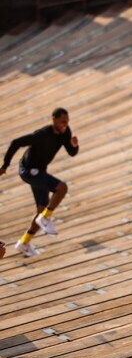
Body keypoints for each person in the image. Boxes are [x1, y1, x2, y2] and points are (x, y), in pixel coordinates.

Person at [1, 108, 79, 258]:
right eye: (63, 122)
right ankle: (45, 218)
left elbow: (71, 152)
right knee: (61, 188)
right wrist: (5, 165)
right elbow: (16, 143)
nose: (65, 125)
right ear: (54, 119)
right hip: (28, 171)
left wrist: (75, 145)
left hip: (40, 172)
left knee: (41, 209)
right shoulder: (42, 134)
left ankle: (24, 242)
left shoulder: (65, 133)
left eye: (67, 122)